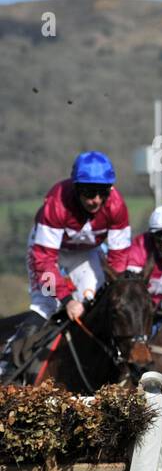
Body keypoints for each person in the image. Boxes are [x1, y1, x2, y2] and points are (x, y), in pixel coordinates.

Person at [1, 151, 132, 379]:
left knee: (96, 300)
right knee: (46, 304)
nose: (97, 200)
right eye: (90, 193)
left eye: (103, 192)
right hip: (46, 253)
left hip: (84, 253)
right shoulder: (57, 203)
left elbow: (119, 257)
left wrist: (116, 287)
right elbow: (43, 260)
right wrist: (66, 299)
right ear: (76, 187)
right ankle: (9, 365)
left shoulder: (117, 206)